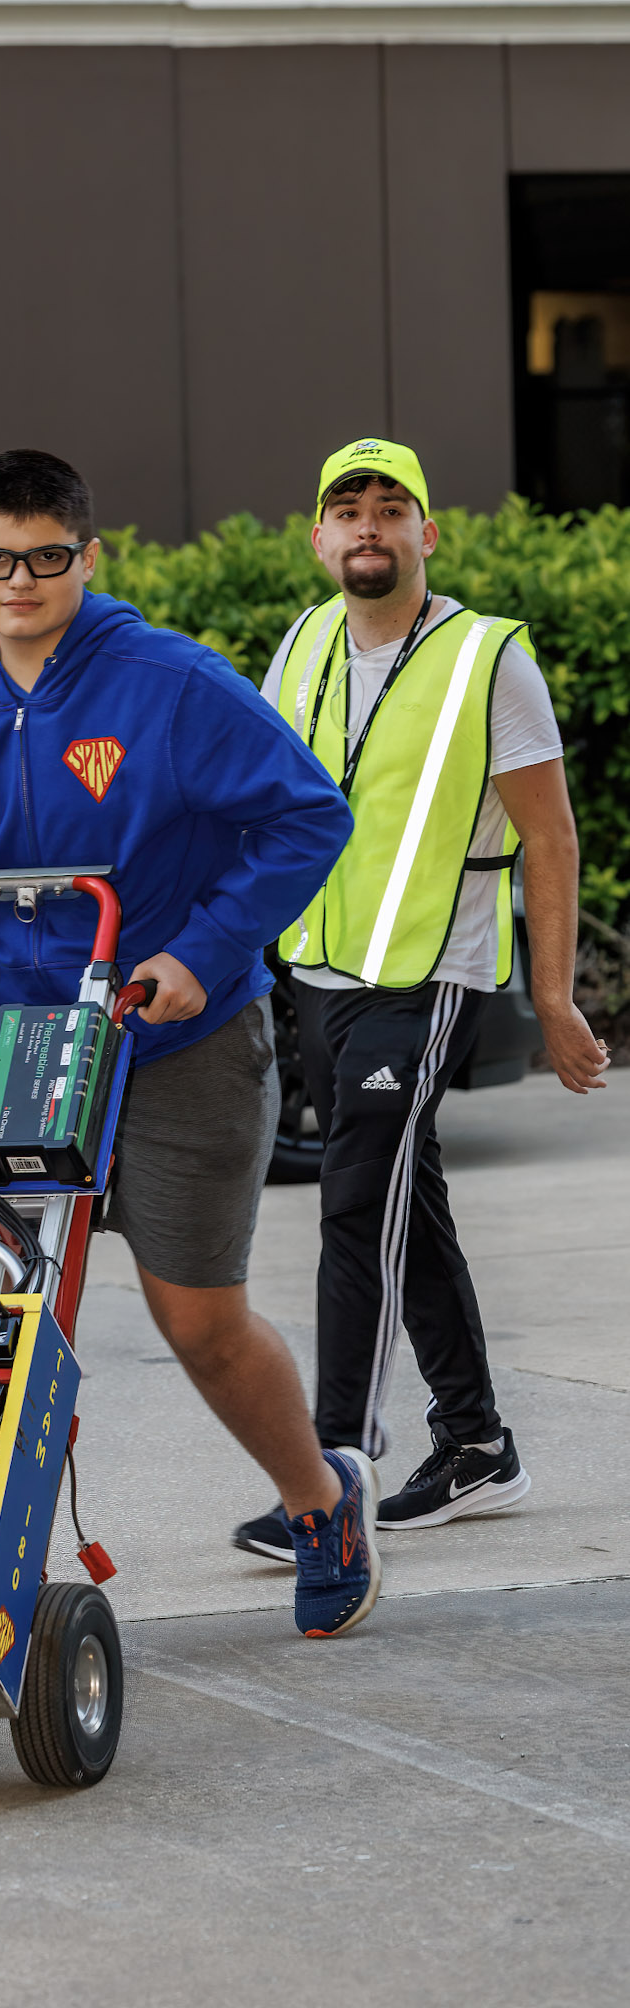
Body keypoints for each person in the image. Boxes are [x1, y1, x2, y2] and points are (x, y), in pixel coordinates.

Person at [0, 446, 380, 1638]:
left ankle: (319, 1497)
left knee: (196, 1320)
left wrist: (198, 955)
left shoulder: (171, 682)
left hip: (168, 1040)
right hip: (11, 1041)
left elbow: (309, 817)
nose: (20, 582)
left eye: (47, 558)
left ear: (88, 557)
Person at [235, 436, 608, 1560]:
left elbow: (550, 833)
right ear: (317, 539)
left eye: (390, 509)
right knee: (409, 1200)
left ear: (426, 534)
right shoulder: (302, 643)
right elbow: (262, 802)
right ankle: (478, 1444)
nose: (367, 527)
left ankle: (329, 1471)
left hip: (430, 974)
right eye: (346, 510)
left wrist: (552, 997)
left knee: (356, 1202)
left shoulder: (489, 658)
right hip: (324, 970)